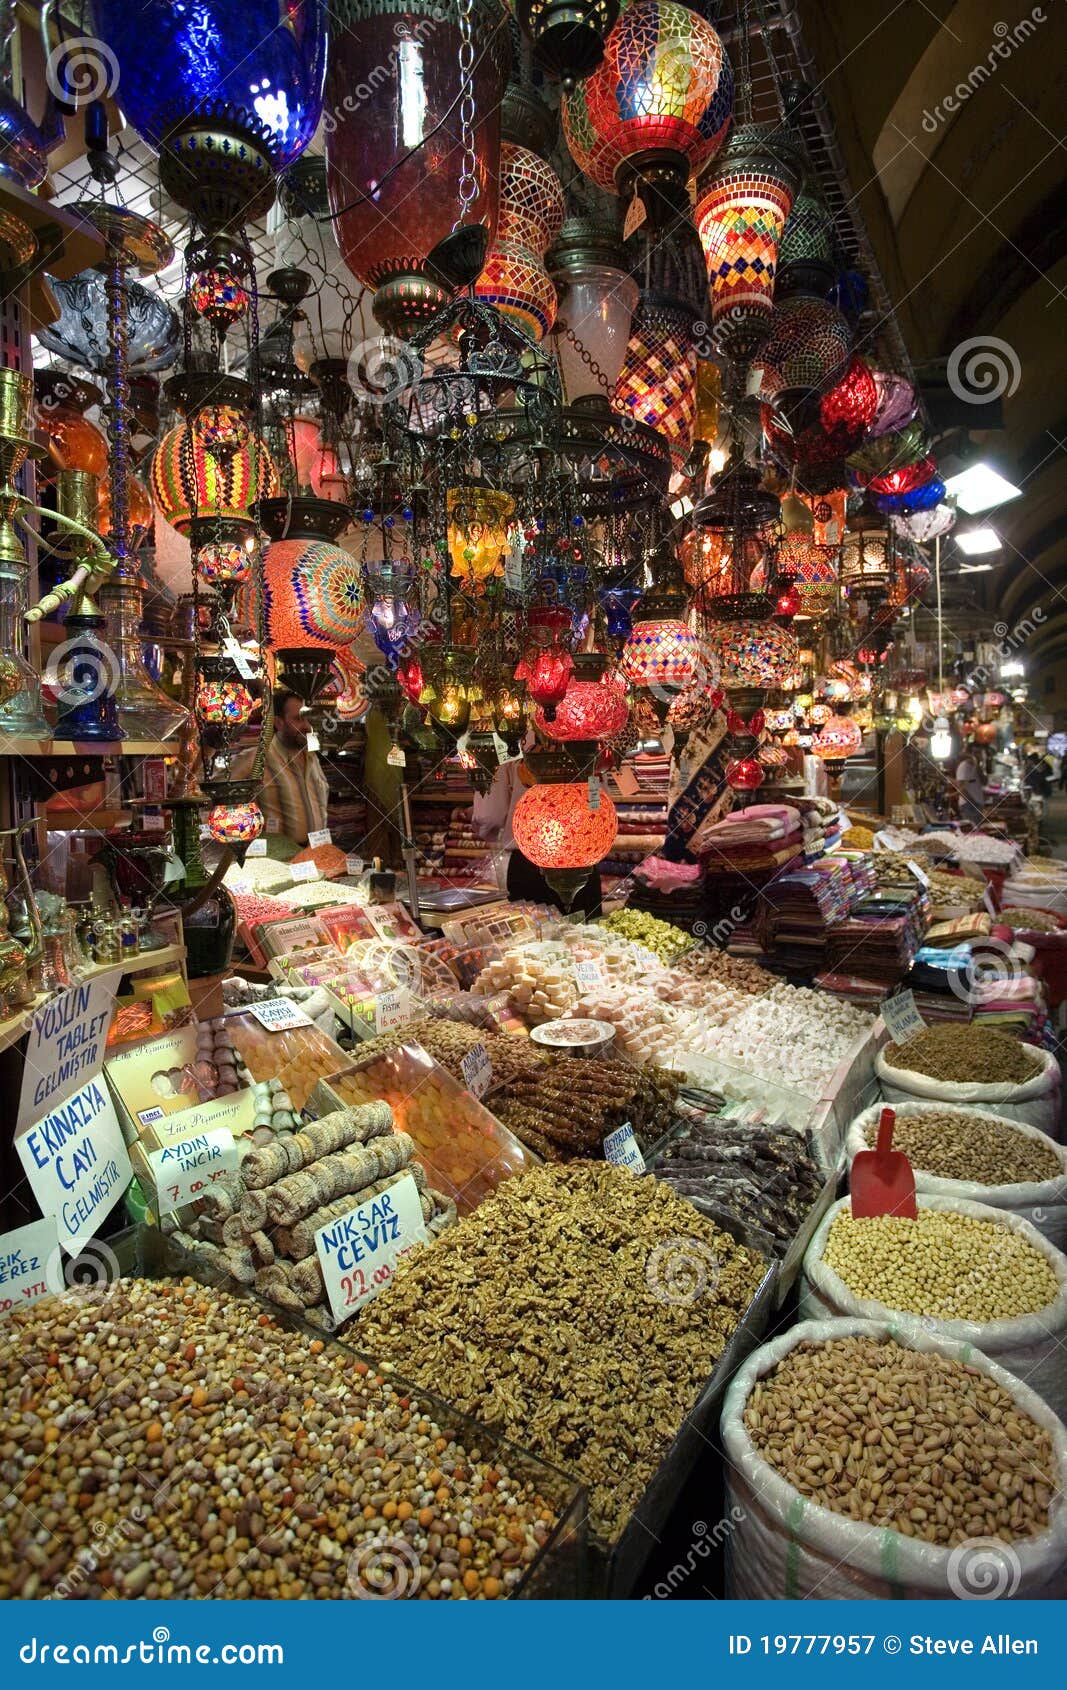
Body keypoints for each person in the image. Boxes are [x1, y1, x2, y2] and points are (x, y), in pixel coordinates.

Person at [471, 758, 603, 919]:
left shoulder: (504, 743)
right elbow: (596, 803)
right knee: (590, 938)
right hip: (583, 859)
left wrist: (489, 834)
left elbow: (489, 816)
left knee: (535, 938)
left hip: (531, 862)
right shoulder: (590, 738)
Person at [257, 688, 330, 846]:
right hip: (279, 862)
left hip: (316, 855)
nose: (306, 726)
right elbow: (218, 788)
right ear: (278, 722)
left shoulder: (312, 757)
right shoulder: (259, 759)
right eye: (298, 719)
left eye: (308, 719)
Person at [954, 749, 986, 827]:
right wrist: (972, 802)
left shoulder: (976, 767)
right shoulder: (964, 766)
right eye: (977, 754)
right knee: (972, 831)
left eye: (981, 755)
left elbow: (985, 782)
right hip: (969, 805)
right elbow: (961, 788)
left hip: (977, 804)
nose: (979, 757)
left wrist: (979, 768)